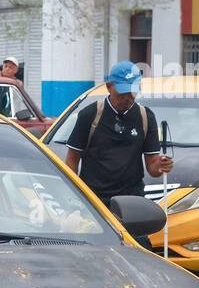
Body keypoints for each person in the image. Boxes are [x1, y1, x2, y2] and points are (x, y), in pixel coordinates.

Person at [64, 61, 173, 211]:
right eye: (122, 92)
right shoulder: (90, 115)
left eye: (132, 92)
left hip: (132, 201)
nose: (127, 97)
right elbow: (72, 159)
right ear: (109, 87)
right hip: (94, 201)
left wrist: (161, 166)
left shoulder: (145, 117)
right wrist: (73, 198)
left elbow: (152, 167)